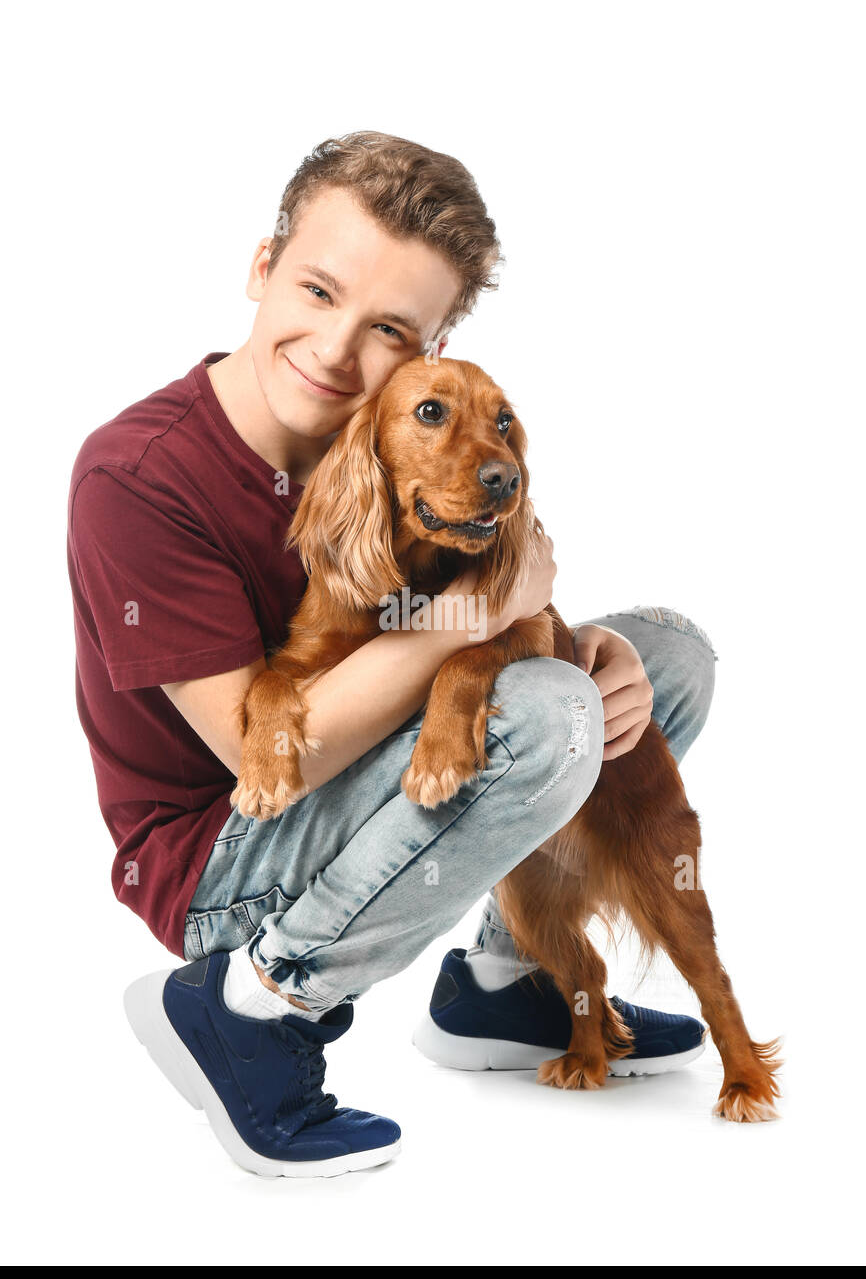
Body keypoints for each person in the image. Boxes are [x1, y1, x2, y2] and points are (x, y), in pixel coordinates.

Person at [68, 131, 718, 1179]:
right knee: (545, 716)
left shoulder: (397, 429)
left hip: (382, 787)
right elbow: (268, 757)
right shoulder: (137, 478)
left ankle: (508, 983)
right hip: (228, 860)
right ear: (260, 265)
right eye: (316, 290)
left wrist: (563, 635)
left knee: (665, 655)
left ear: (432, 344)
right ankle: (255, 1002)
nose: (332, 350)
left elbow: (470, 606)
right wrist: (479, 623)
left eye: (385, 329)